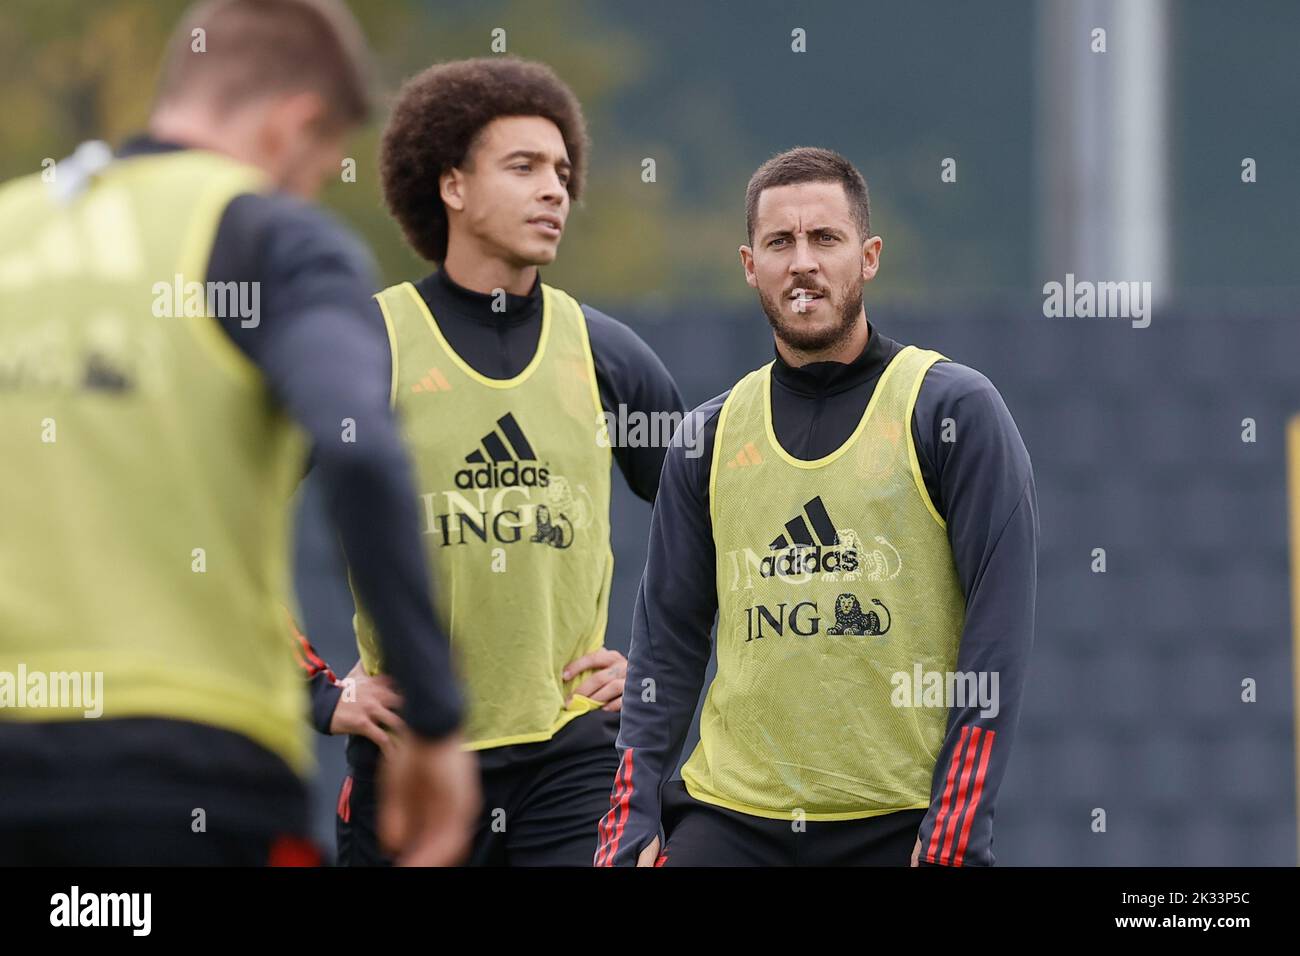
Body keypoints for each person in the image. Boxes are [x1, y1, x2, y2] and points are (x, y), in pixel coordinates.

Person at [0, 0, 475, 866]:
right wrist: (437, 725)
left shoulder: (12, 232)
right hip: (185, 773)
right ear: (292, 122)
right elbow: (358, 445)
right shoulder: (266, 238)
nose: (306, 186)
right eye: (320, 160)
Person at [596, 147, 1037, 867]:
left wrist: (955, 833)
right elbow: (666, 648)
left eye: (825, 239)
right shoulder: (706, 437)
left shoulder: (951, 409)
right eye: (780, 242)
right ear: (749, 265)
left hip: (900, 824)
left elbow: (997, 641)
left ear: (868, 258)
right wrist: (631, 828)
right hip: (729, 821)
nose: (803, 262)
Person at [302, 56, 685, 866]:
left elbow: (726, 528)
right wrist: (314, 689)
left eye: (562, 171)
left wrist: (649, 671)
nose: (556, 190)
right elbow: (224, 507)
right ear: (452, 187)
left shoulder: (608, 355)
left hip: (572, 762)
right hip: (409, 758)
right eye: (524, 167)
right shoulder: (370, 346)